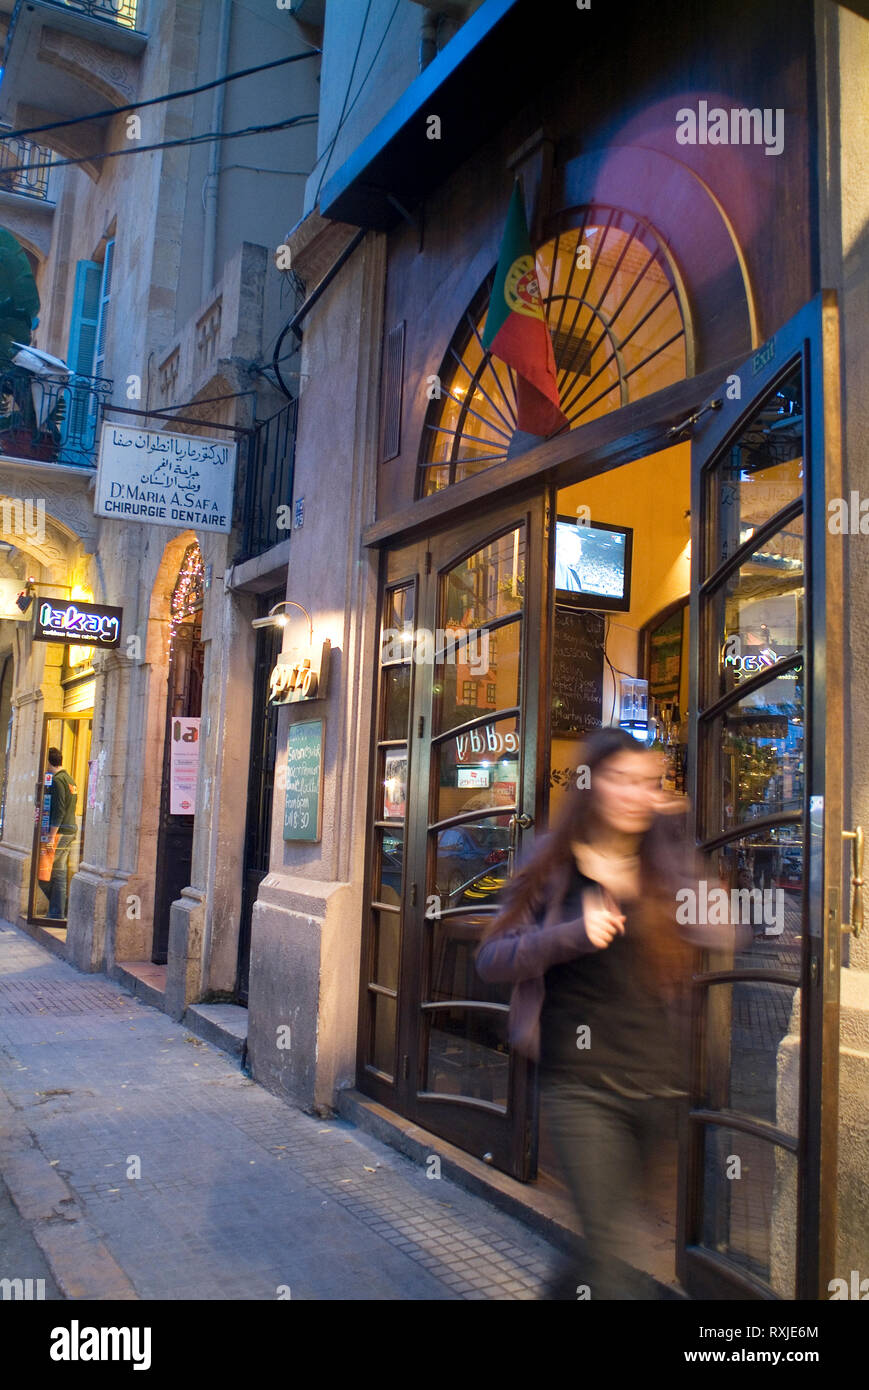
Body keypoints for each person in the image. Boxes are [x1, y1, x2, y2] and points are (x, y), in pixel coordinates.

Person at [475, 727, 738, 1300]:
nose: (632, 794)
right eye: (619, 780)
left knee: (597, 1255)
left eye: (646, 783)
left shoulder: (662, 863)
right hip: (579, 1087)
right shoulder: (553, 862)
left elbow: (722, 929)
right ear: (591, 786)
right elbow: (492, 958)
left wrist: (675, 835)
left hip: (654, 1086)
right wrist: (573, 934)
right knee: (614, 1262)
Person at [45, 746, 77, 919]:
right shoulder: (69, 779)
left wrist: (51, 836)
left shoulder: (57, 780)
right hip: (69, 828)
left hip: (61, 831)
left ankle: (58, 911)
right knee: (60, 870)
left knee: (50, 873)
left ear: (48, 761)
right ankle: (58, 910)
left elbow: (59, 810)